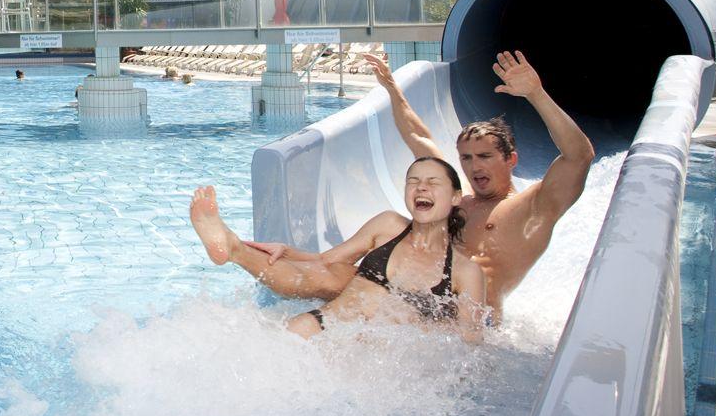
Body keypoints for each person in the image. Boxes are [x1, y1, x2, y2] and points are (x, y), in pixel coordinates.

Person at [235, 50, 594, 314]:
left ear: (511, 160)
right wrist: (392, 89)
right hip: (419, 300)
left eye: (485, 157)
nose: (473, 166)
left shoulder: (533, 208)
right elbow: (419, 137)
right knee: (333, 276)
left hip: (466, 325)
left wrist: (535, 94)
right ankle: (235, 254)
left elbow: (579, 156)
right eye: (466, 158)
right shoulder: (457, 203)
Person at [190, 158, 488, 341]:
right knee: (326, 272)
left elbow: (470, 338)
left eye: (432, 183)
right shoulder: (388, 225)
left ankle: (234, 248)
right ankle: (232, 247)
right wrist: (287, 250)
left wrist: (416, 328)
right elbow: (327, 259)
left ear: (455, 198)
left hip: (381, 357)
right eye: (414, 182)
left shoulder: (464, 271)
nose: (421, 188)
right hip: (324, 326)